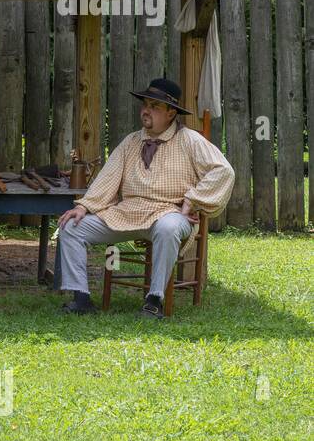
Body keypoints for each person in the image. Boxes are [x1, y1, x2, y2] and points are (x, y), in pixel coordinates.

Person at [56, 77, 234, 319]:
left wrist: (193, 199)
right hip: (126, 213)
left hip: (168, 212)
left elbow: (223, 170)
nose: (146, 110)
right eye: (145, 104)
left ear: (171, 113)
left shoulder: (190, 140)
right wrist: (85, 207)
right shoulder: (131, 141)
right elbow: (108, 178)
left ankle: (154, 300)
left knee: (169, 228)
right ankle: (81, 298)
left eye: (154, 106)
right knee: (71, 226)